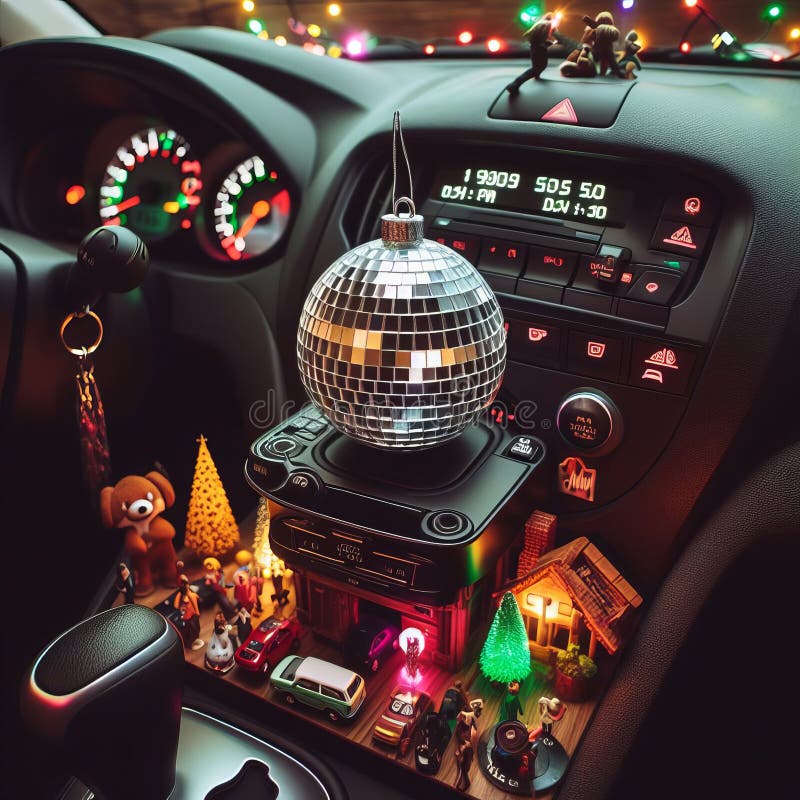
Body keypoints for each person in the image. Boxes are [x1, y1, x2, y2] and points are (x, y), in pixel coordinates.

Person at [506, 14, 556, 95]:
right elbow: (543, 37)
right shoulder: (547, 24)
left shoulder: (540, 24)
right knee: (538, 67)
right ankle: (514, 85)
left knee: (537, 67)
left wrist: (545, 43)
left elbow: (531, 35)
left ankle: (534, 77)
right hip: (539, 49)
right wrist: (546, 43)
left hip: (534, 47)